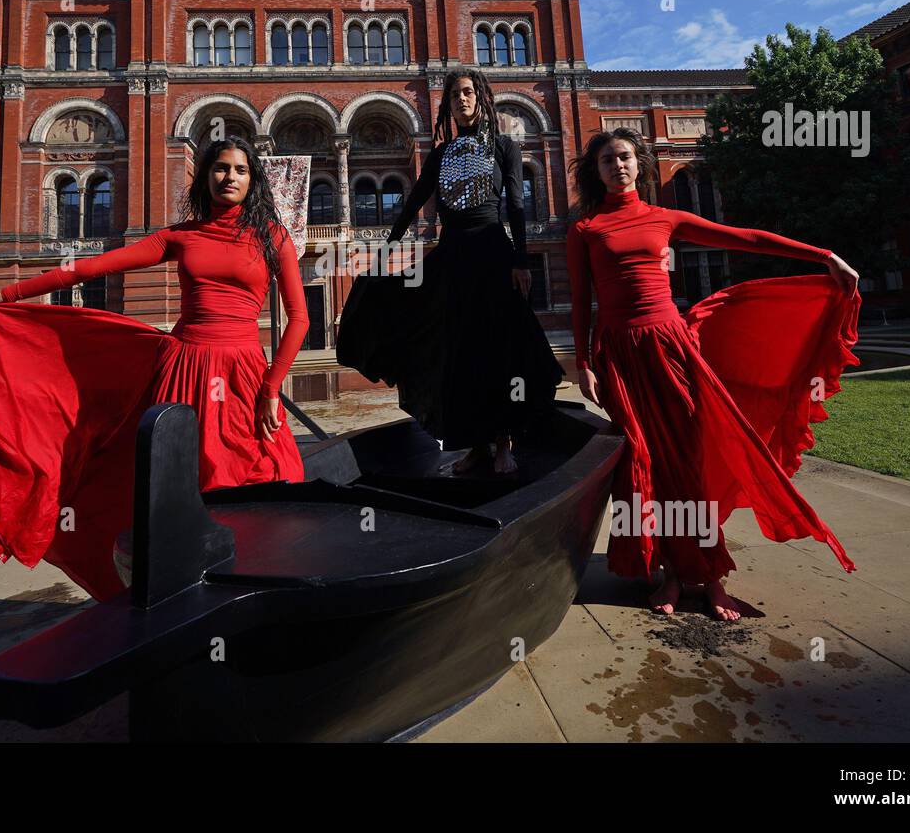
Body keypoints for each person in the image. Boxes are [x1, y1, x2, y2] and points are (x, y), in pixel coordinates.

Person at [0, 135, 308, 600]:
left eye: (241, 170)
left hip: (245, 373)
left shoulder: (272, 236)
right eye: (221, 168)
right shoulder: (181, 236)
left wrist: (271, 387)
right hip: (183, 368)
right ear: (205, 177)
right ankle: (190, 593)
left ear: (253, 180)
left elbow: (299, 318)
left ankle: (254, 587)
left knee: (259, 476)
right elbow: (92, 267)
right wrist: (9, 293)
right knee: (182, 483)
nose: (231, 177)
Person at [566, 127, 861, 621]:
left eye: (624, 157)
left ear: (639, 163)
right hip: (621, 356)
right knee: (643, 462)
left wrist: (822, 256)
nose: (617, 166)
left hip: (670, 348)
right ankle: (672, 574)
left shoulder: (665, 218)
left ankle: (712, 578)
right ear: (595, 173)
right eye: (606, 161)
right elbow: (582, 302)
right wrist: (583, 363)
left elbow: (744, 237)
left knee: (687, 461)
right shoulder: (585, 230)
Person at [336, 67, 564, 475]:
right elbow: (414, 201)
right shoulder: (441, 154)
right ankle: (474, 445)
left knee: (497, 349)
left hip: (492, 252)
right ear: (448, 106)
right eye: (454, 95)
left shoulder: (502, 146)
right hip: (453, 255)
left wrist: (520, 260)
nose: (461, 99)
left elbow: (514, 204)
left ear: (481, 97)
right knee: (456, 353)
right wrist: (386, 251)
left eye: (467, 92)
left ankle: (502, 444)